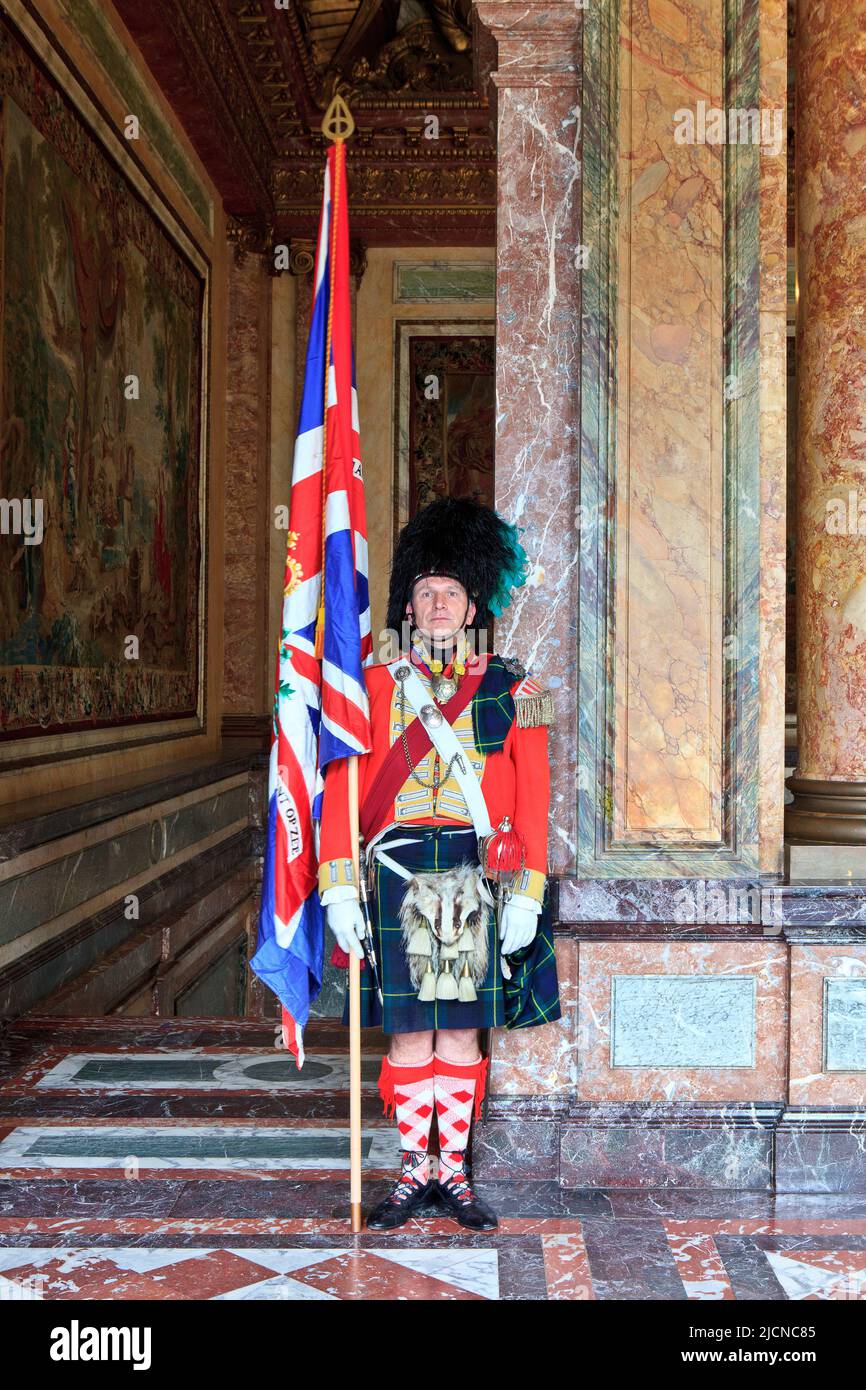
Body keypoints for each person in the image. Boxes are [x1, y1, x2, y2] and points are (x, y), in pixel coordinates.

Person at [318, 497, 559, 1231]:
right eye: (425, 592)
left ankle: (452, 1173)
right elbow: (338, 786)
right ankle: (409, 1172)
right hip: (391, 871)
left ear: (473, 601)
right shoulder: (365, 687)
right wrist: (336, 885)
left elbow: (537, 797)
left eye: (451, 591)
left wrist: (528, 892)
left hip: (472, 873)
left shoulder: (519, 689)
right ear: (409, 606)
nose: (438, 603)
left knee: (458, 1029)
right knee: (406, 1032)